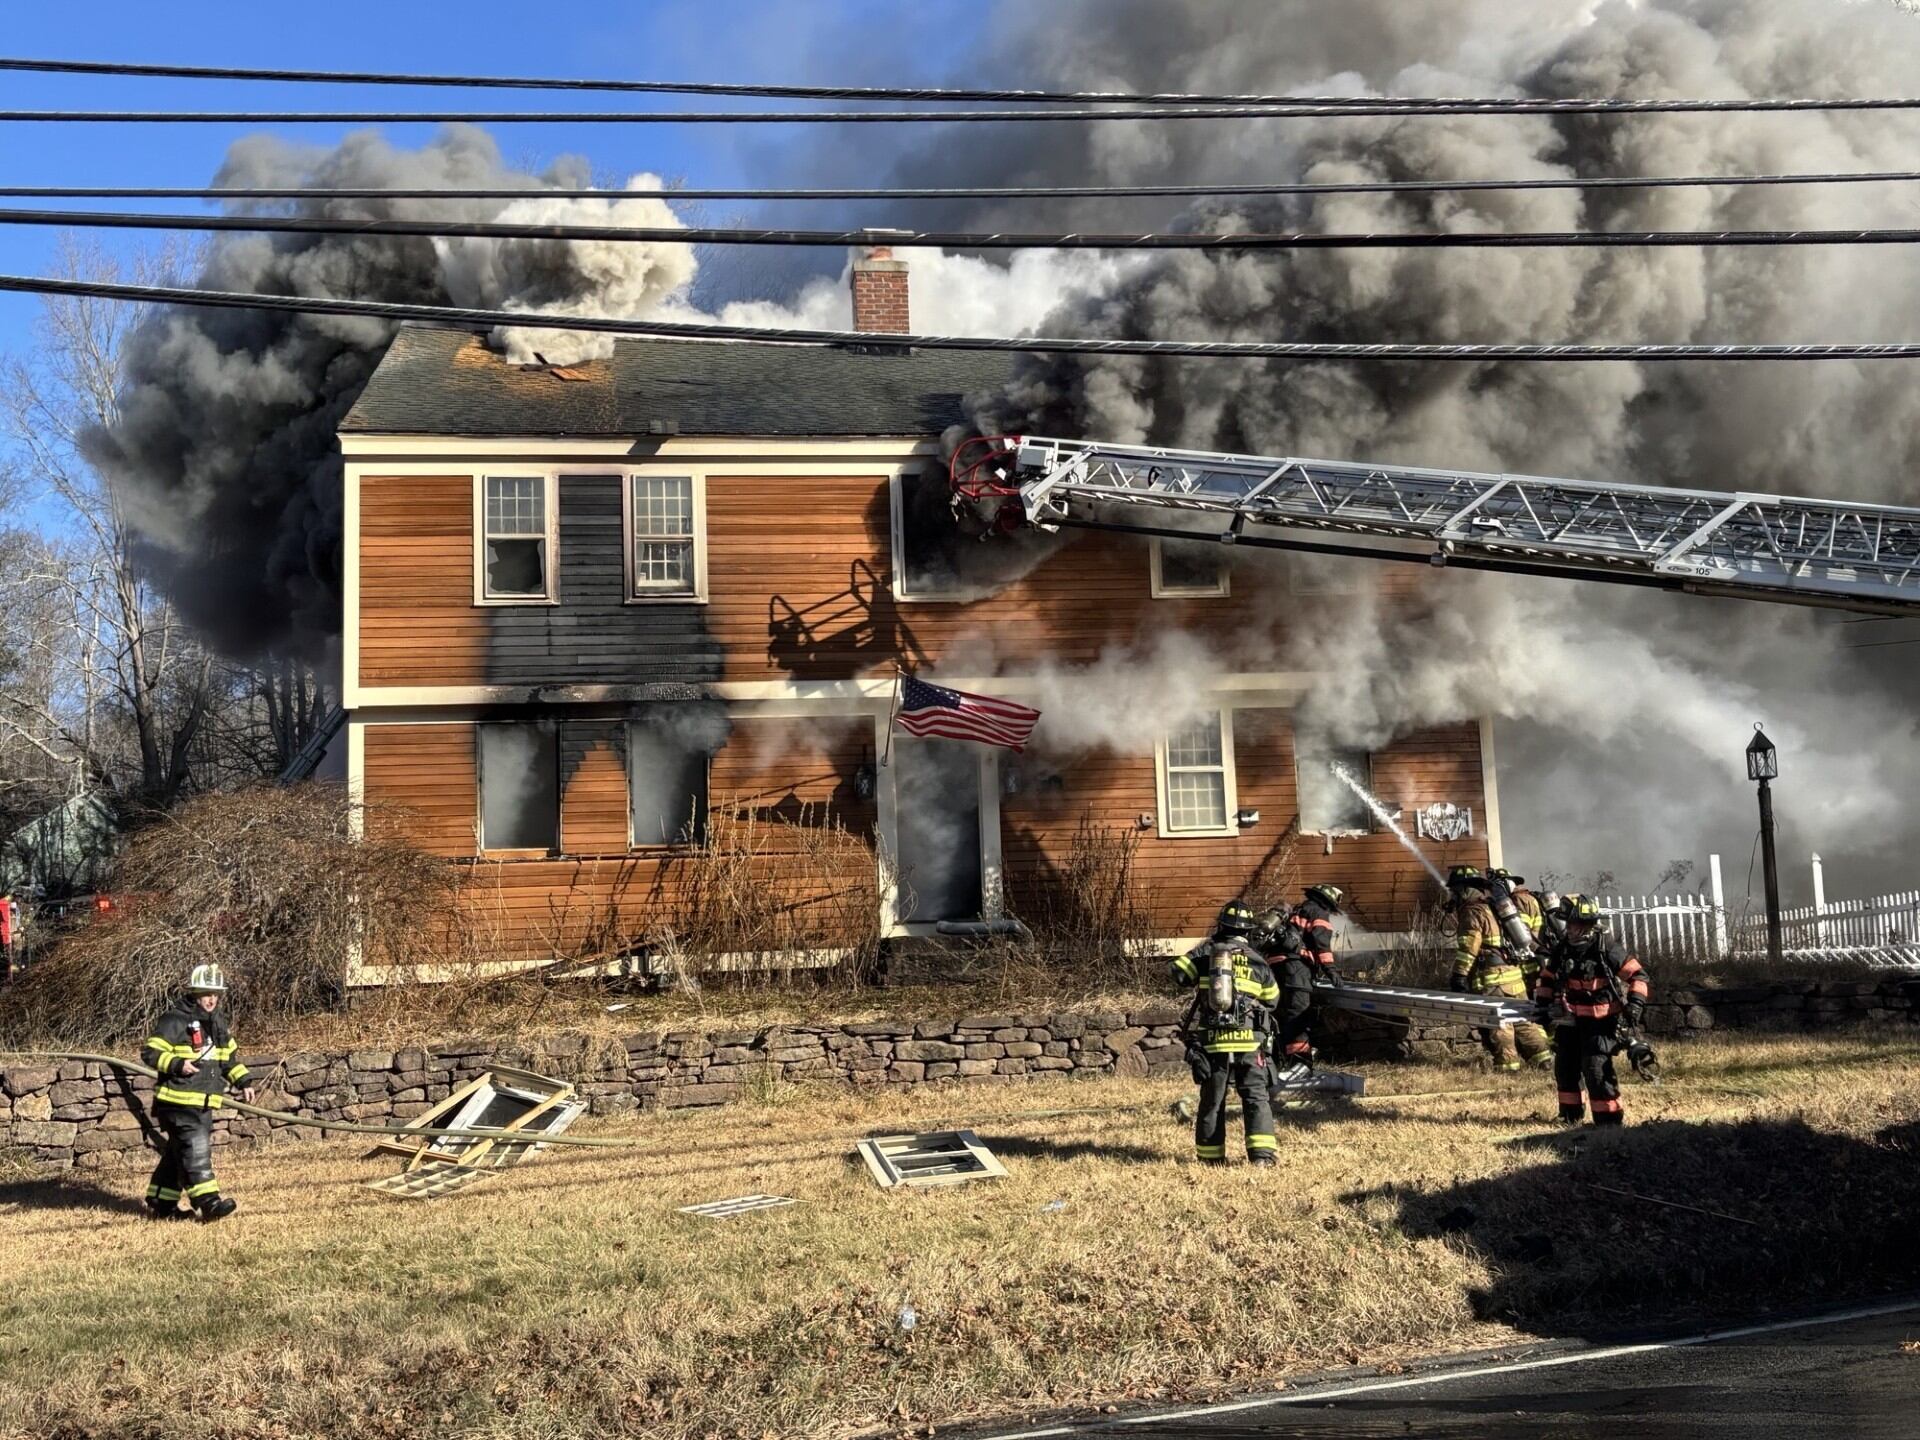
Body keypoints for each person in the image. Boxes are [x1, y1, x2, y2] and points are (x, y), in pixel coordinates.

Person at [140, 963, 254, 1221]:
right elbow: (150, 1052)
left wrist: (244, 1081)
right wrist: (178, 1064)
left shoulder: (218, 1023)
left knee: (177, 1155)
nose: (211, 999)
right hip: (178, 1102)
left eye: (215, 994)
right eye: (205, 993)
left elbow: (228, 1060)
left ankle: (161, 1203)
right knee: (195, 1150)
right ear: (194, 993)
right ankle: (209, 1203)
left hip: (201, 1102)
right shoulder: (175, 1020)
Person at [1172, 901, 1280, 1167]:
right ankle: (1262, 1158)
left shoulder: (1208, 952)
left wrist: (1202, 952)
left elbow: (1177, 973)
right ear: (1248, 931)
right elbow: (1273, 999)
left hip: (1214, 1040)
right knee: (1256, 1096)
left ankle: (1211, 1159)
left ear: (1221, 926)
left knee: (1213, 1099)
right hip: (1250, 1040)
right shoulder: (1257, 959)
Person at [1534, 895, 1650, 1126]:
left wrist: (1635, 1005)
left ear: (1588, 925)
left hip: (1601, 1022)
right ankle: (1570, 1116)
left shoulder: (1606, 948)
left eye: (1574, 924)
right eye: (1568, 924)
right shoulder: (1564, 948)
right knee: (1565, 1068)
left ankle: (1608, 1121)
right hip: (1570, 1020)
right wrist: (1543, 1007)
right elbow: (1547, 977)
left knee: (1596, 1069)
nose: (1570, 929)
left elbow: (1639, 976)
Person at [1447, 865, 1551, 1073]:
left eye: (1455, 891)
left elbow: (1469, 947)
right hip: (1514, 976)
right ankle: (1543, 1060)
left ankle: (1508, 1069)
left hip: (1491, 979)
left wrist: (1459, 975)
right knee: (1522, 1019)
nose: (1454, 896)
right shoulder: (1496, 907)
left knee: (1500, 1022)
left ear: (1462, 890)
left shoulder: (1472, 912)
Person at [1256, 884, 1346, 1087]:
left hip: (1275, 969)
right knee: (1298, 1017)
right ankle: (1300, 1068)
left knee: (1282, 1017)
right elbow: (1322, 944)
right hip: (1296, 971)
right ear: (1328, 901)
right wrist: (1330, 970)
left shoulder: (1295, 910)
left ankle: (1279, 1063)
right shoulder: (1319, 913)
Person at [1490, 867, 1545, 992]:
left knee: (1531, 992)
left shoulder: (1517, 899)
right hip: (1538, 951)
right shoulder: (1530, 897)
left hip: (1528, 955)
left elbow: (1522, 928)